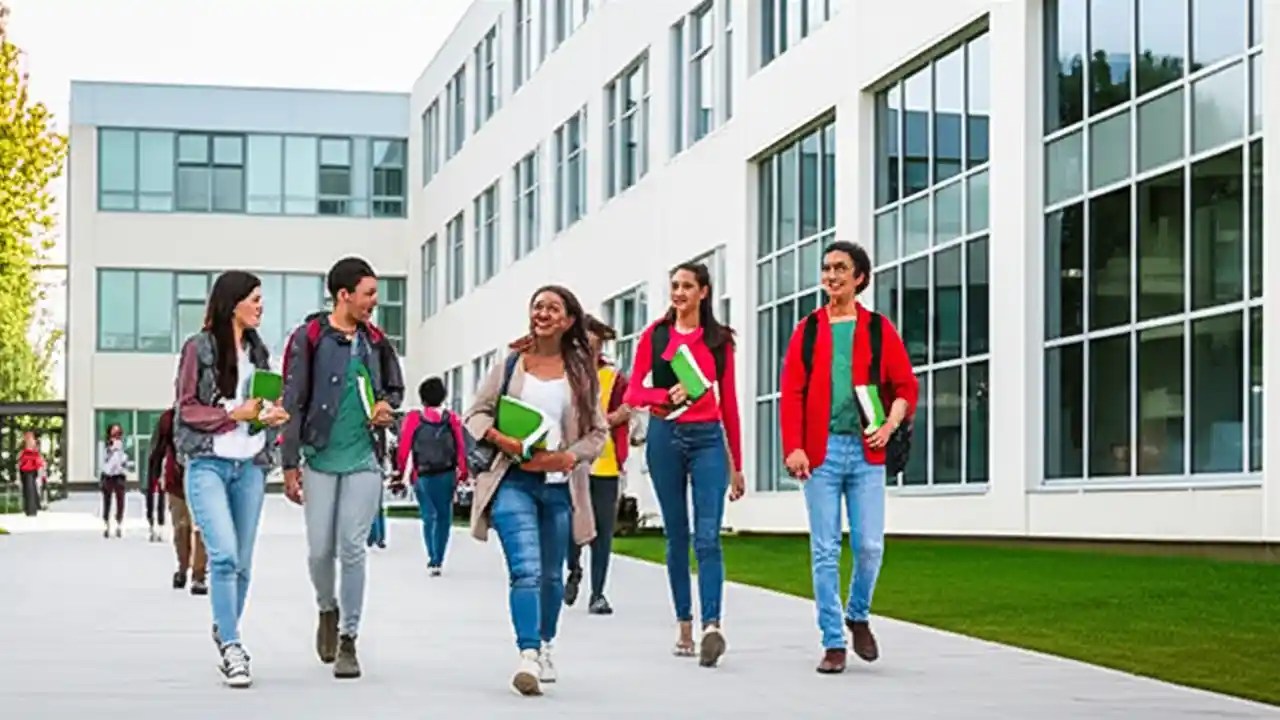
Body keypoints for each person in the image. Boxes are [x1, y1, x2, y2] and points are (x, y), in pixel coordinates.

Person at [779, 241, 918, 674]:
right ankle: (833, 641)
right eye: (827, 268)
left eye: (841, 268)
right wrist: (794, 446)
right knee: (825, 550)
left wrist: (889, 425)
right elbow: (792, 393)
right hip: (820, 453)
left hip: (866, 452)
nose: (832, 275)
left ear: (859, 278)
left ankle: (857, 614)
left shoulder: (878, 329)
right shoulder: (808, 330)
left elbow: (905, 387)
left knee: (870, 546)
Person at [464, 285, 606, 697]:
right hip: (513, 480)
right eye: (537, 306)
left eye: (552, 308)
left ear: (567, 320)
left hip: (559, 487)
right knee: (525, 570)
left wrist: (567, 457)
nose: (543, 313)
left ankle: (545, 645)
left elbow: (598, 433)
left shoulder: (581, 373)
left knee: (551, 576)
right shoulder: (510, 365)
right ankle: (526, 654)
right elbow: (475, 414)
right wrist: (502, 439)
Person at [281, 256, 404, 681]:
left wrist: (386, 406)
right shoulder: (310, 337)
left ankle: (349, 638)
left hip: (364, 458)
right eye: (369, 294)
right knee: (320, 550)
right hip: (319, 456)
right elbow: (293, 400)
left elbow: (394, 389)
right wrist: (289, 463)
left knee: (352, 547)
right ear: (343, 295)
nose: (375, 301)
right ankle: (327, 610)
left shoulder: (377, 342)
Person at [624, 261, 746, 668]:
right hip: (665, 438)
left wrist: (736, 464)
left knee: (707, 536)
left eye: (687, 286)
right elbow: (634, 392)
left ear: (703, 292)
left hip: (708, 440)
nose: (678, 293)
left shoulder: (719, 341)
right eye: (674, 286)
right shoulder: (656, 335)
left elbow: (729, 404)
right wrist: (664, 395)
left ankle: (712, 626)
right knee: (676, 535)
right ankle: (684, 626)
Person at [173, 270, 289, 688]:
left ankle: (226, 629)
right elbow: (187, 407)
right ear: (232, 302)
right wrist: (231, 414)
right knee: (222, 555)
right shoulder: (198, 348)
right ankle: (233, 647)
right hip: (208, 464)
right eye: (254, 299)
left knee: (241, 562)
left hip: (250, 467)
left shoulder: (259, 352)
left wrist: (271, 415)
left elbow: (262, 405)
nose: (260, 306)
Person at [564, 315, 630, 615]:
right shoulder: (565, 374)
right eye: (585, 345)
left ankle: (598, 593)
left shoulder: (614, 378)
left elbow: (627, 408)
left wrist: (609, 419)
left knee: (603, 532)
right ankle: (573, 569)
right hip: (572, 463)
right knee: (573, 528)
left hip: (606, 463)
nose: (590, 351)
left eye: (595, 345)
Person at [395, 376, 468, 575]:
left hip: (422, 474)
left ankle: (431, 556)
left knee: (429, 515)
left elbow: (404, 448)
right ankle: (438, 559)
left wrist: (400, 471)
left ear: (422, 397)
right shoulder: (451, 418)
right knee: (444, 516)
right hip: (447, 473)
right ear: (443, 396)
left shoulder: (413, 418)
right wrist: (463, 471)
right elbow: (461, 446)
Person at [148, 407, 208, 595]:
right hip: (176, 482)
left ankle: (199, 575)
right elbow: (157, 450)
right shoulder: (169, 418)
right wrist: (152, 480)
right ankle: (183, 567)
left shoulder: (208, 413)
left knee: (202, 527)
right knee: (182, 527)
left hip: (204, 479)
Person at [99, 424, 129, 538]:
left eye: (118, 432)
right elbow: (103, 460)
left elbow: (125, 459)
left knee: (120, 500)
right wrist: (111, 450)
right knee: (107, 500)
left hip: (119, 475)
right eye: (113, 431)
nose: (116, 434)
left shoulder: (123, 444)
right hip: (108, 475)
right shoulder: (105, 445)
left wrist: (123, 459)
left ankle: (119, 523)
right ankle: (106, 523)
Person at [17, 431, 43, 517]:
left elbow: (21, 460)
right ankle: (31, 509)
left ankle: (31, 510)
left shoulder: (31, 449)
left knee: (29, 489)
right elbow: (20, 461)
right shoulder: (28, 449)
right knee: (30, 489)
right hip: (28, 471)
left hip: (29, 471)